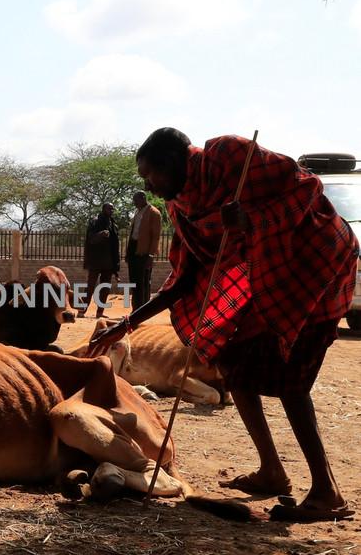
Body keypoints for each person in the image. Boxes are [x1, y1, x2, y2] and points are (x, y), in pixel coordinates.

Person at [89, 128, 359, 522]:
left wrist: (253, 218)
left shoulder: (230, 156)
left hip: (315, 267)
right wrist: (125, 325)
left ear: (175, 163)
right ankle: (272, 471)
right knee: (234, 362)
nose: (148, 185)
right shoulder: (182, 208)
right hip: (268, 278)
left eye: (152, 175)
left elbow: (308, 190)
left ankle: (326, 493)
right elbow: (182, 280)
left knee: (292, 378)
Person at [81, 202, 120, 317]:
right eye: (109, 209)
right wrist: (100, 234)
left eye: (112, 209)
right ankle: (82, 310)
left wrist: (116, 267)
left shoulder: (113, 225)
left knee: (105, 288)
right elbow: (90, 239)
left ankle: (100, 312)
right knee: (90, 286)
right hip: (95, 261)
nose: (111, 211)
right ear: (103, 209)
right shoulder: (94, 222)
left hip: (108, 263)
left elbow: (116, 247)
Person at [126, 190, 163, 310]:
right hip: (134, 249)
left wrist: (151, 255)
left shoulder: (154, 213)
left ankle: (142, 309)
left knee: (143, 282)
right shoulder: (137, 212)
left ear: (143, 198)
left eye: (136, 200)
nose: (134, 203)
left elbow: (155, 236)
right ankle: (135, 308)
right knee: (134, 281)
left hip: (144, 252)